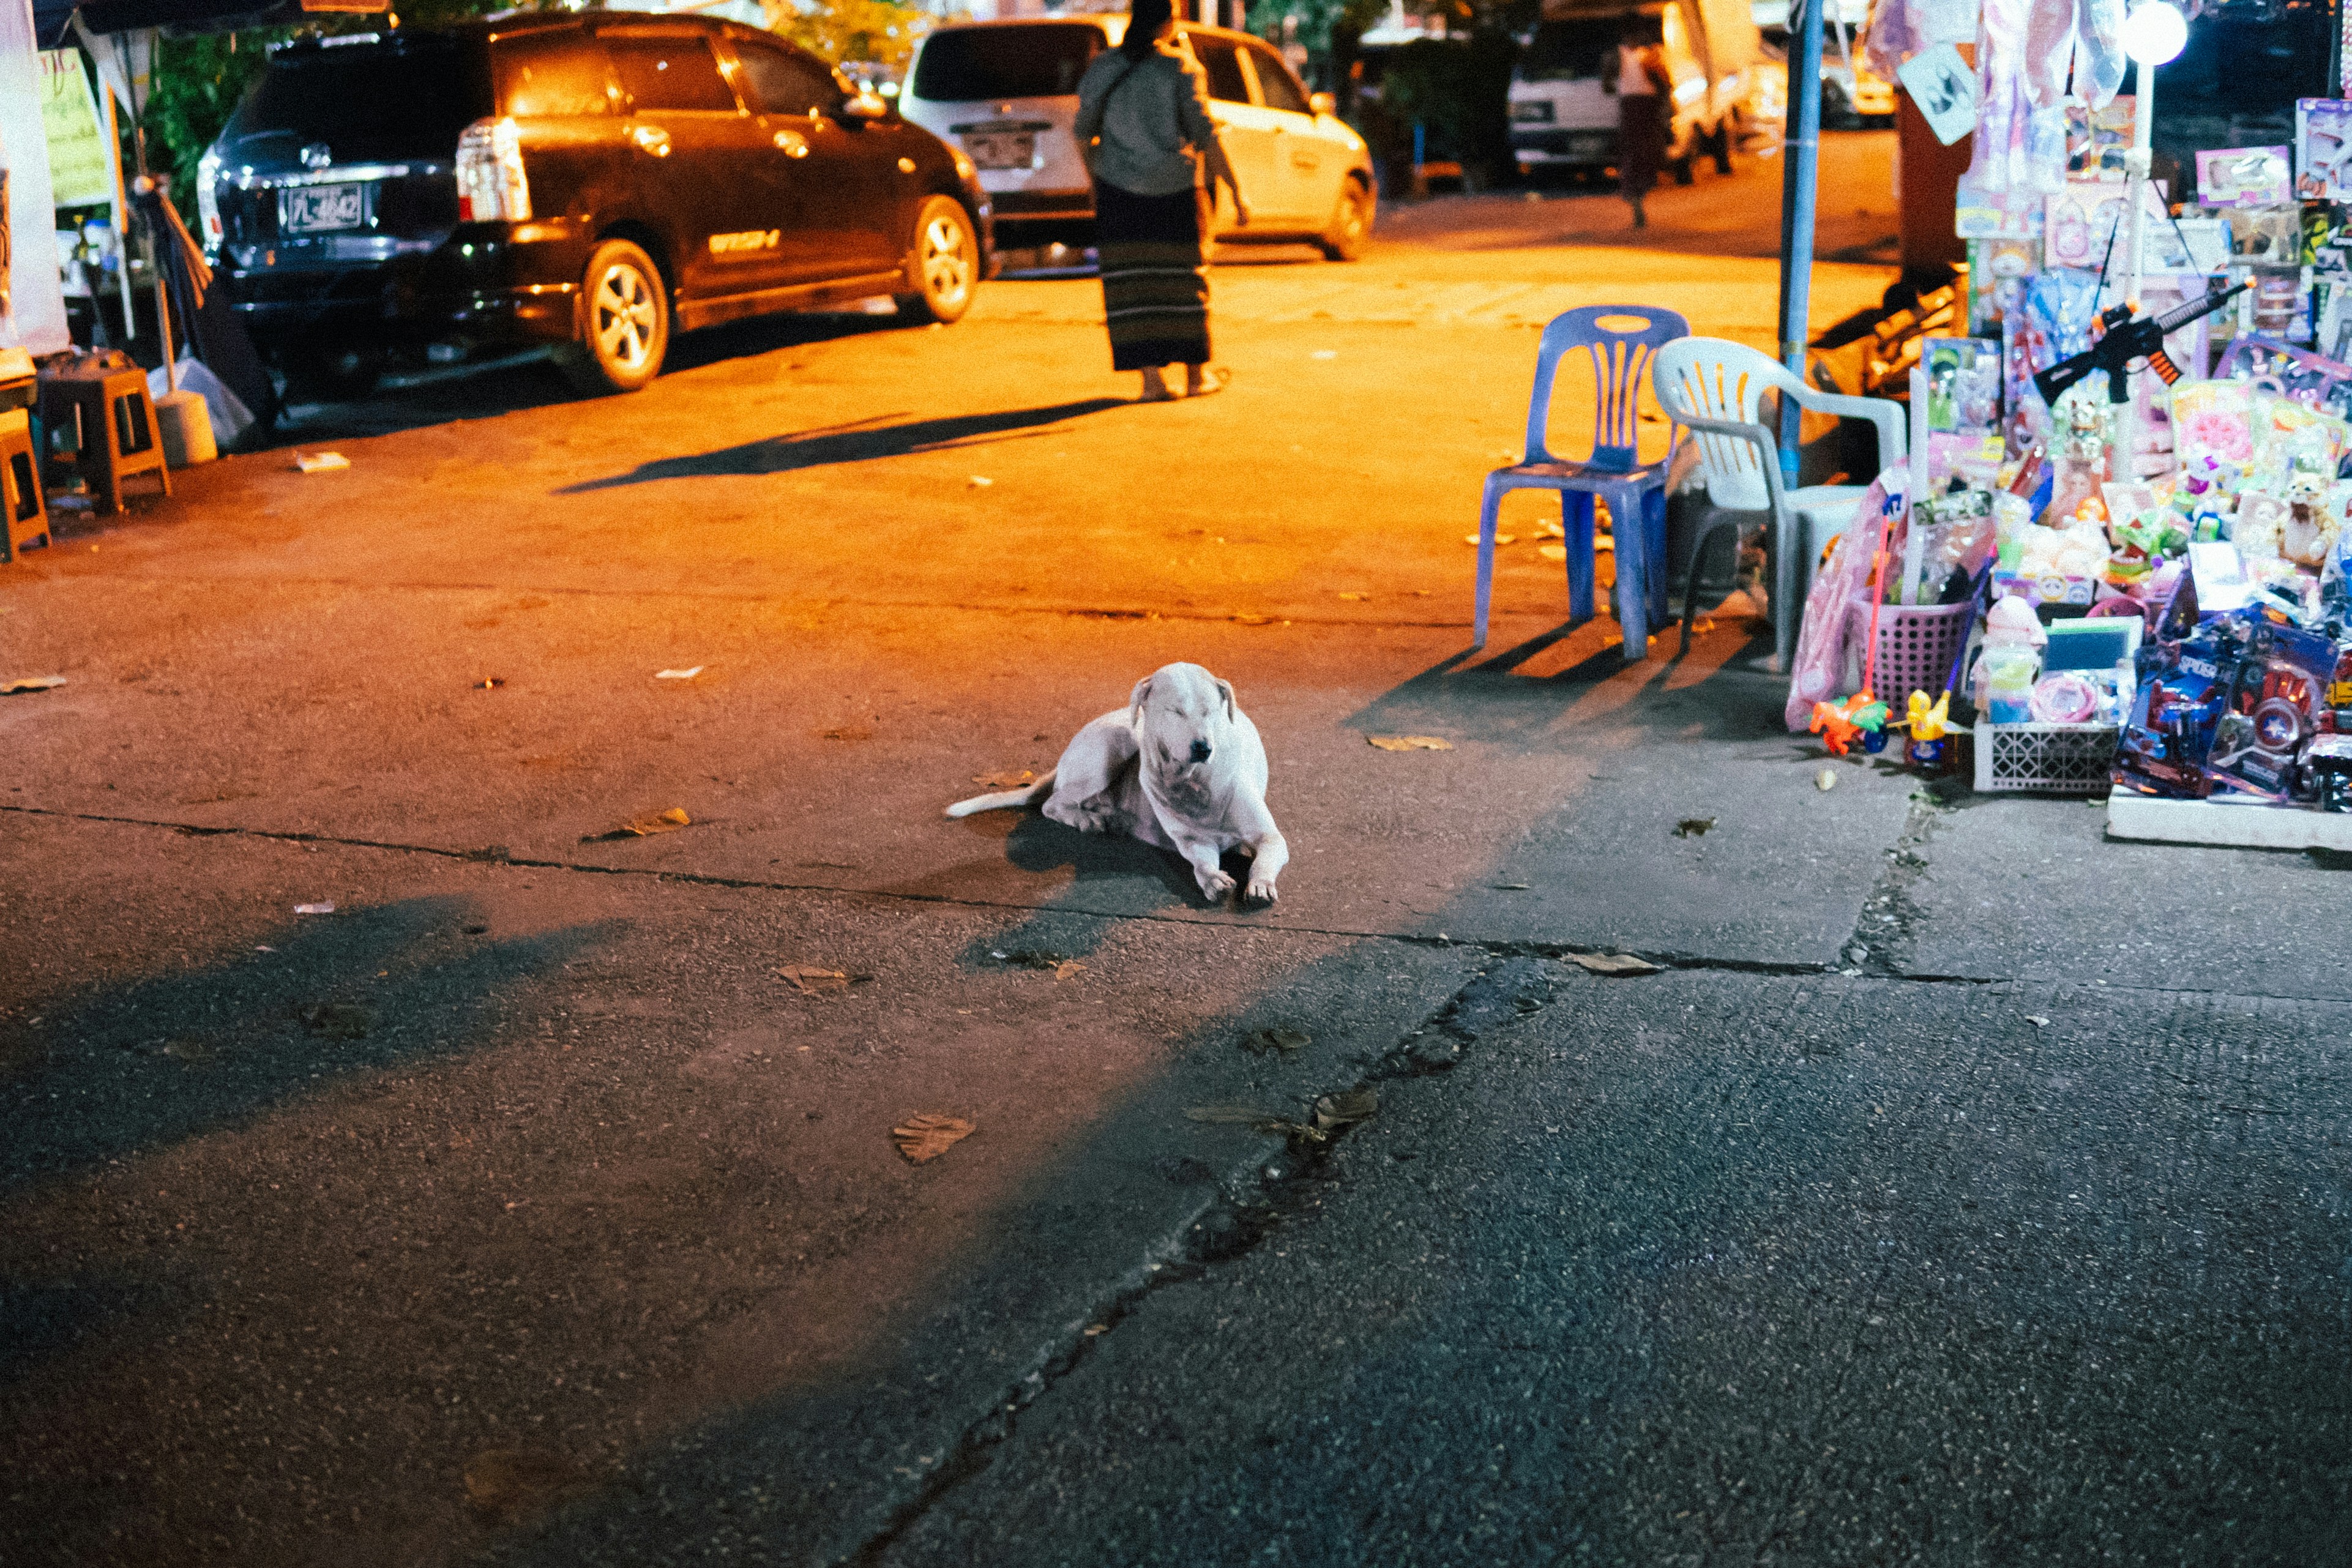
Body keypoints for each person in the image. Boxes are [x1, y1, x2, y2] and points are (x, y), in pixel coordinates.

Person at [1073, 0, 1249, 401]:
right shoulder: (1180, 67)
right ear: (1167, 23)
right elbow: (1205, 133)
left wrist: (1094, 177)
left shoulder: (1103, 67)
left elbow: (1082, 131)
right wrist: (1237, 192)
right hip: (1173, 191)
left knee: (1131, 286)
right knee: (1182, 281)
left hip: (1118, 192)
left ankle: (1152, 382)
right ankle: (1194, 377)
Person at [1615, 20, 1671, 230]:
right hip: (1640, 108)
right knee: (1642, 151)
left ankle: (1635, 190)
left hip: (1640, 107)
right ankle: (1635, 190)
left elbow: (1664, 82)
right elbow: (1665, 83)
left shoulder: (1646, 56)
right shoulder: (1635, 56)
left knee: (1640, 151)